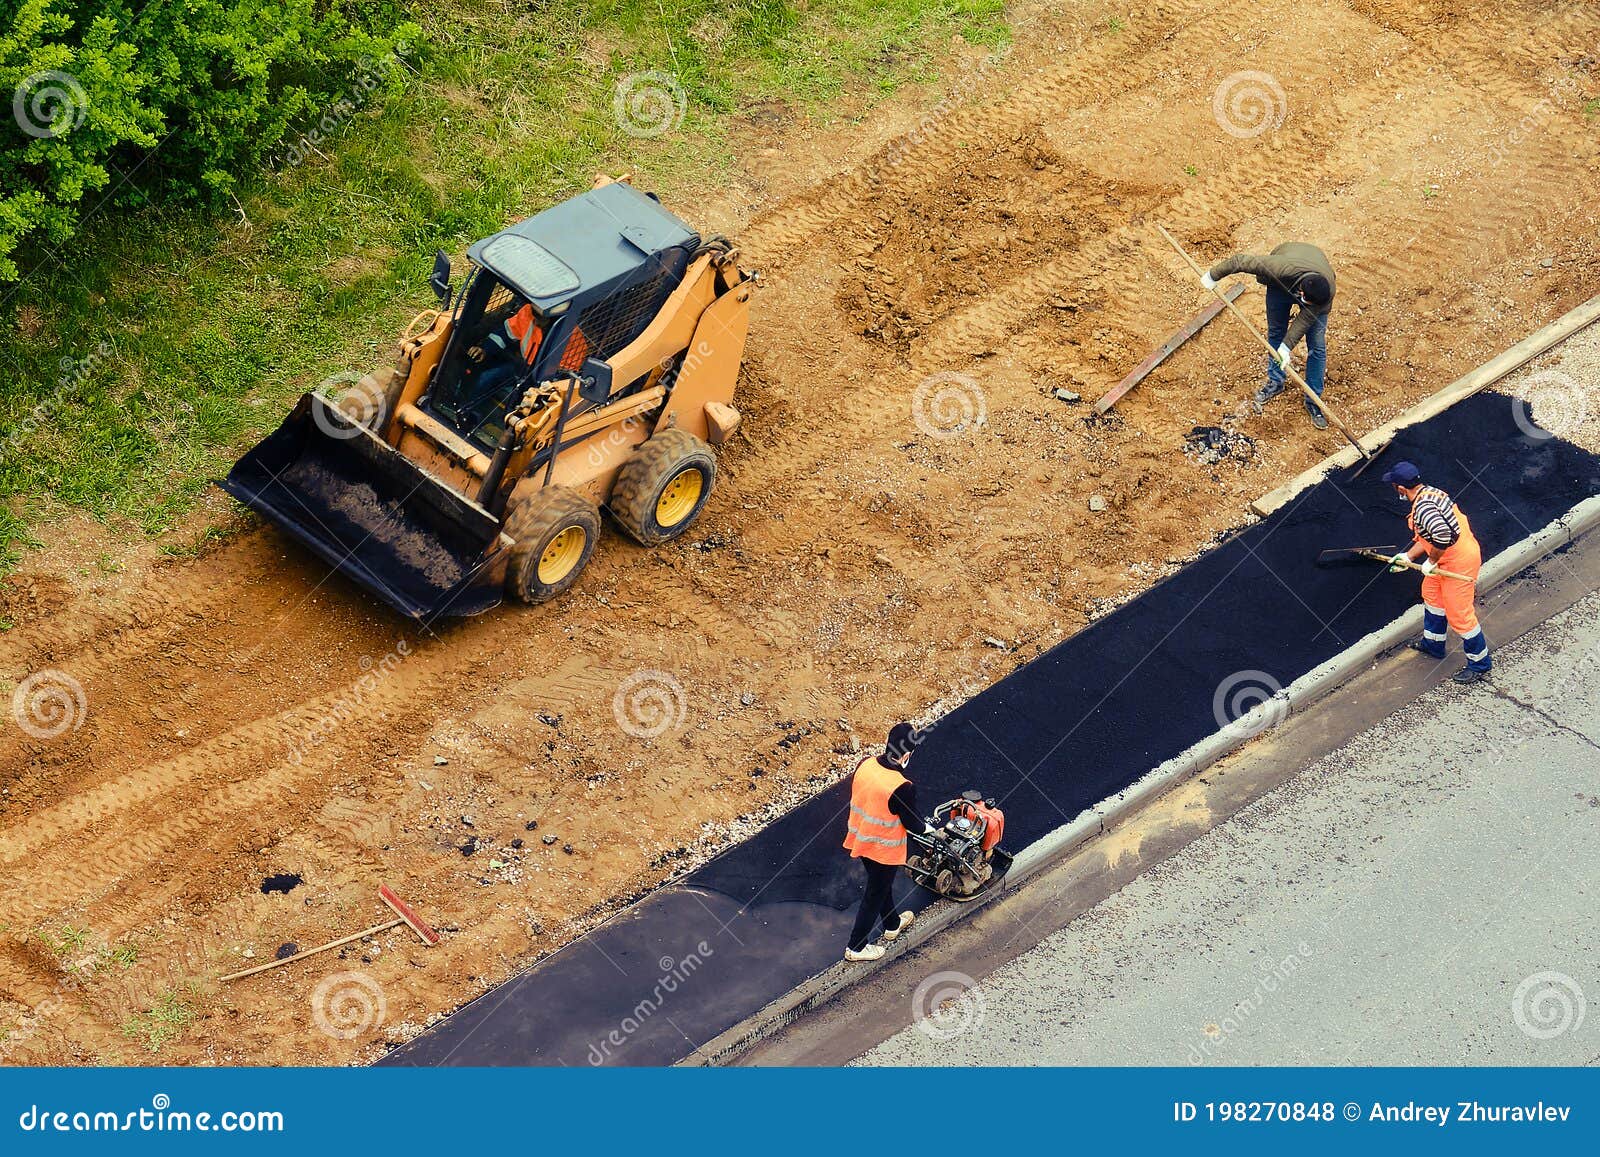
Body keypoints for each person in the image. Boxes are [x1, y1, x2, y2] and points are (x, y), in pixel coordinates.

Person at [1202, 242, 1336, 430]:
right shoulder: (1280, 267)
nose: (1304, 303)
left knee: (1316, 345)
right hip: (1282, 282)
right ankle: (1276, 381)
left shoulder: (1325, 296)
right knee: (1276, 332)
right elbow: (1240, 261)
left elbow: (1304, 320)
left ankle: (1314, 400)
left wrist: (1286, 348)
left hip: (1311, 279)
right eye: (1304, 298)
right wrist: (1212, 275)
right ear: (1302, 290)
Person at [1382, 460, 1491, 684]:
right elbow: (1427, 536)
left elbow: (1442, 535)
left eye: (1394, 486)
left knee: (1459, 614)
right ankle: (1433, 645)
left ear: (1401, 488)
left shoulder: (1423, 509)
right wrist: (1408, 557)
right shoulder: (1431, 493)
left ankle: (1480, 664)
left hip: (1459, 562)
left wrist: (1431, 561)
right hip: (1445, 560)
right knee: (1432, 596)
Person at [841, 722, 930, 963]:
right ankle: (856, 947)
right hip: (883, 848)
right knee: (875, 892)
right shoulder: (901, 786)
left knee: (881, 886)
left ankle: (892, 924)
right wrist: (931, 829)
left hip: (861, 838)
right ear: (907, 755)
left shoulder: (866, 764)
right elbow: (913, 823)